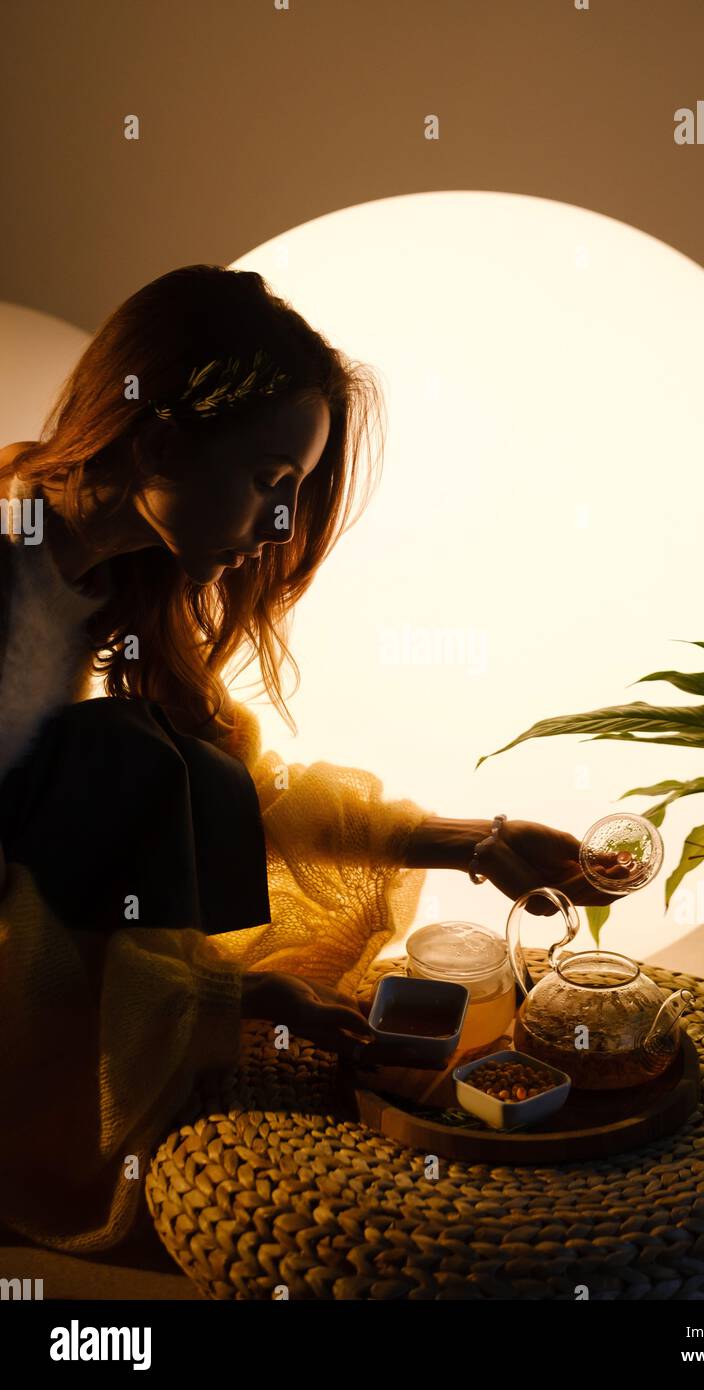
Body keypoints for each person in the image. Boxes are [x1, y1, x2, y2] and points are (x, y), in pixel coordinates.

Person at [0, 264, 616, 1252]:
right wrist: (225, 998)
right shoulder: (12, 583)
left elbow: (246, 794)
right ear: (159, 436)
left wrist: (474, 843)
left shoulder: (103, 572)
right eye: (268, 484)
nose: (278, 525)